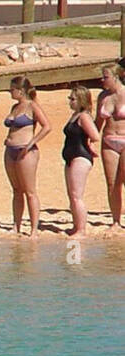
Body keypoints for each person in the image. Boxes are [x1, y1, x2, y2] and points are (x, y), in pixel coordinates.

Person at [1, 76, 51, 237]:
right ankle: (16, 225)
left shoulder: (32, 106)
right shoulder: (15, 106)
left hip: (25, 150)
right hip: (10, 149)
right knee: (16, 190)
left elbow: (47, 126)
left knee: (29, 190)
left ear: (21, 91)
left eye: (12, 89)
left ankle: (34, 229)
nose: (10, 92)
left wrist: (31, 143)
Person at [62, 85, 99, 239]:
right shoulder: (75, 115)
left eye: (72, 99)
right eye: (69, 98)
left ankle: (82, 230)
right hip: (71, 156)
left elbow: (95, 135)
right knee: (72, 195)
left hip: (80, 156)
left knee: (77, 195)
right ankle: (76, 225)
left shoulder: (84, 116)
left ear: (81, 100)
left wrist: (90, 144)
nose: (70, 101)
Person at [96, 65, 125, 228]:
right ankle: (116, 220)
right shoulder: (103, 96)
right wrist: (88, 140)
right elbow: (98, 122)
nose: (102, 80)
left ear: (115, 77)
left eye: (105, 77)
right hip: (108, 140)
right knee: (112, 182)